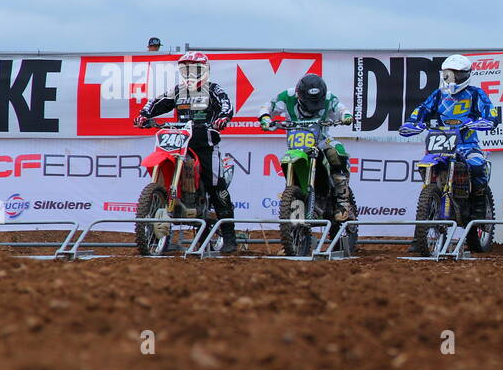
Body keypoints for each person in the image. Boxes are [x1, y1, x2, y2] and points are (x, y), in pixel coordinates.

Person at [133, 51, 238, 253]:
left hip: (205, 144)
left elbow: (227, 105)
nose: (190, 73)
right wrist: (144, 115)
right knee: (165, 177)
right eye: (185, 69)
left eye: (195, 69)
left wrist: (223, 118)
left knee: (215, 184)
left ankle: (229, 237)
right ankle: (161, 239)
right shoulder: (178, 91)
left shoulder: (213, 89)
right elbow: (155, 102)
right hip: (179, 143)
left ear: (205, 70)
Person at [398, 55, 500, 218]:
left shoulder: (475, 94)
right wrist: (411, 123)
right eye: (449, 74)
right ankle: (430, 204)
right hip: (439, 145)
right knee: (424, 165)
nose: (453, 79)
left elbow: (491, 112)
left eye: (457, 74)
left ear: (466, 75)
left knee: (477, 165)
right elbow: (421, 109)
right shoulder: (438, 95)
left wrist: (487, 121)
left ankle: (479, 206)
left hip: (467, 145)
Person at [257, 74, 356, 221]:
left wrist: (346, 116)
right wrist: (265, 117)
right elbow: (268, 106)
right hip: (297, 144)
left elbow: (341, 109)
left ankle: (343, 201)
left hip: (321, 140)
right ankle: (296, 198)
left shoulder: (329, 98)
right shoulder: (287, 96)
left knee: (336, 152)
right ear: (300, 96)